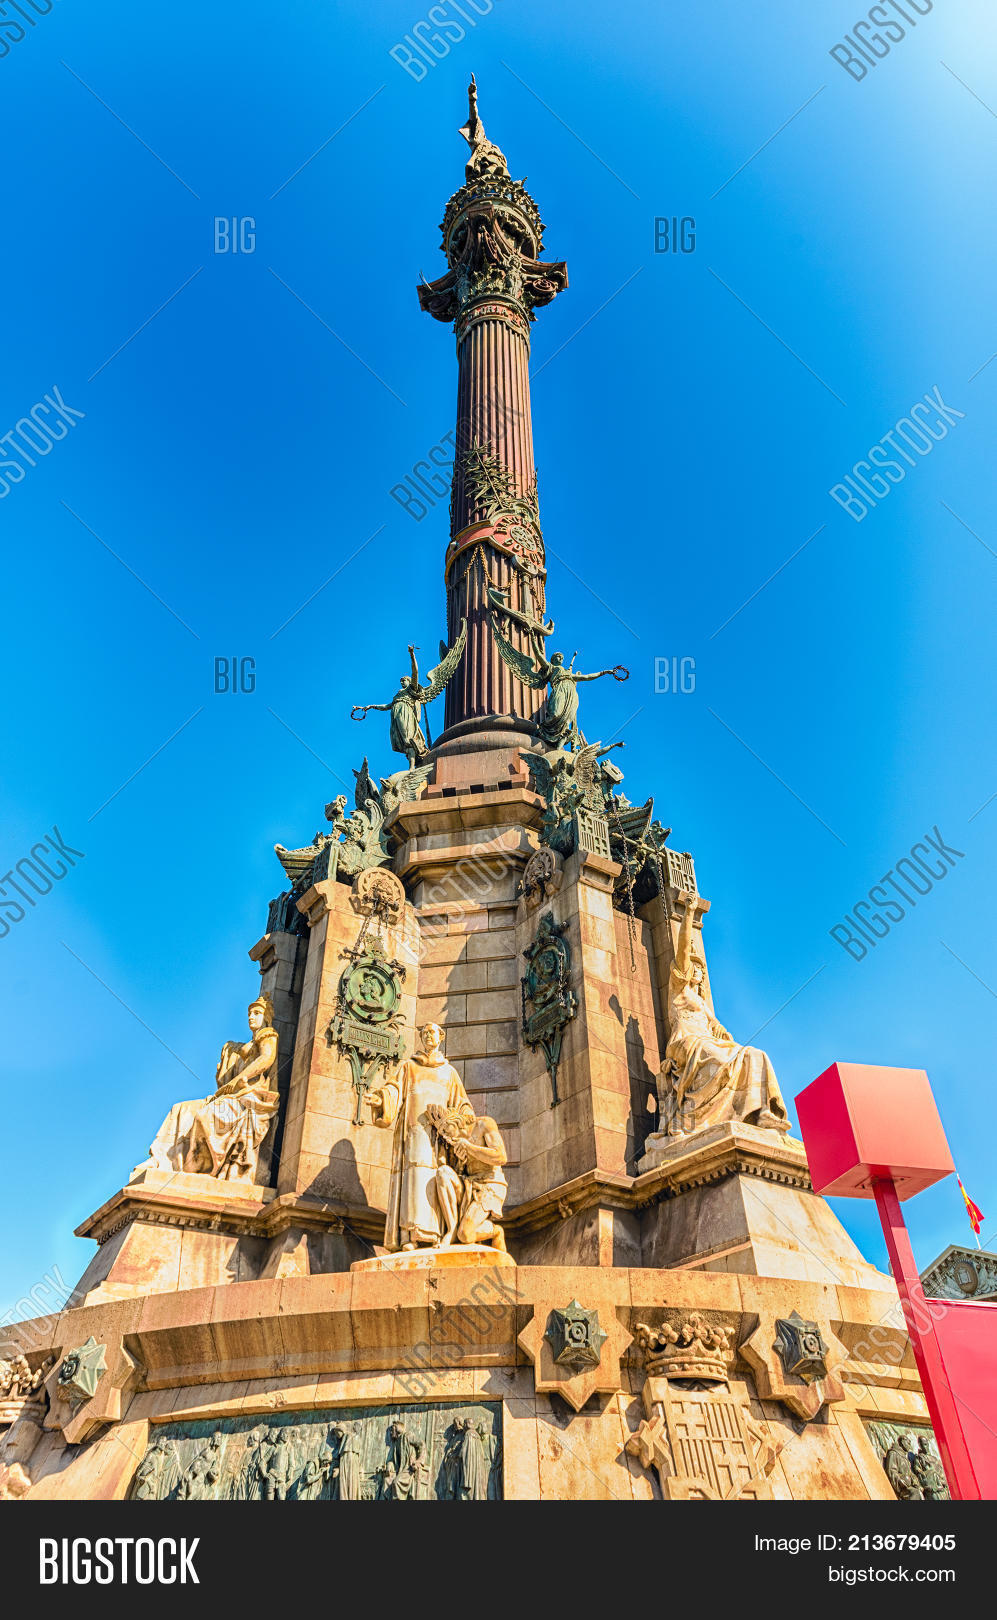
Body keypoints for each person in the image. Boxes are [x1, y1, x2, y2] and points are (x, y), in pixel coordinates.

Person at [652, 892, 789, 1139]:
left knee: (754, 1055)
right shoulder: (679, 990)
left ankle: (761, 1113)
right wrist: (689, 913)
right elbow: (683, 950)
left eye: (701, 968)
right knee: (718, 1058)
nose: (699, 971)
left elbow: (719, 1029)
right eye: (696, 966)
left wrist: (723, 1032)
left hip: (707, 1043)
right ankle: (697, 1118)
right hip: (687, 1045)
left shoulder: (703, 1006)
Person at [368, 1023, 475, 1250]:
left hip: (438, 1138)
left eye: (432, 1032)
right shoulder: (409, 1066)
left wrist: (458, 1118)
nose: (428, 1036)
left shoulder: (449, 1072)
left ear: (441, 1037)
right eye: (424, 1033)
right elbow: (394, 1090)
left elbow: (463, 1105)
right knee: (413, 1178)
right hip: (413, 1132)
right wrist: (381, 1100)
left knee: (434, 1178)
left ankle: (434, 1233)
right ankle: (410, 1236)